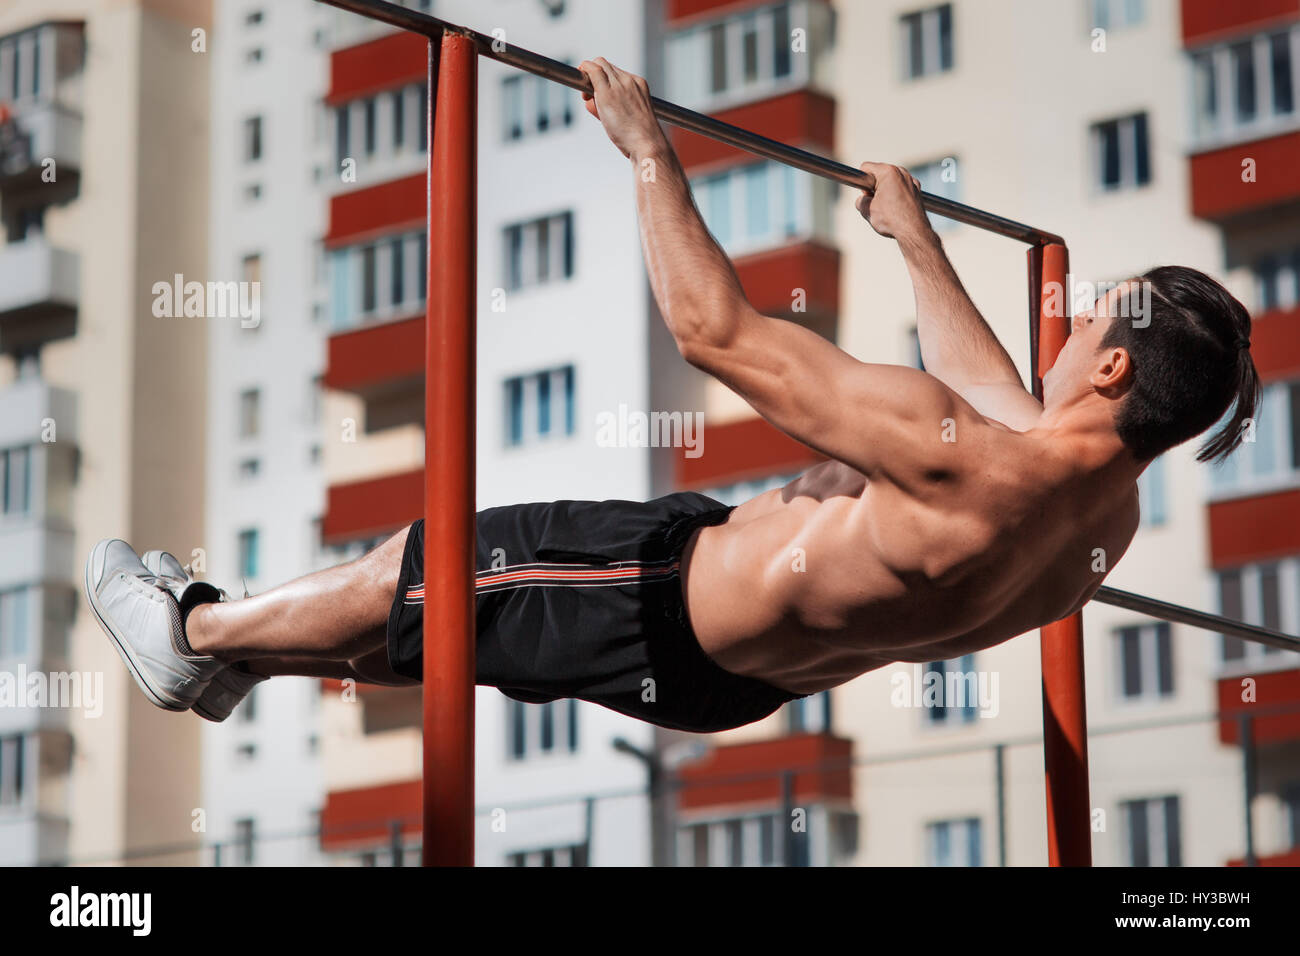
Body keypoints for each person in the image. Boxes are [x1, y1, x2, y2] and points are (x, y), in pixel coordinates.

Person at [84, 59, 1260, 732]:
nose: (1066, 327)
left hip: (654, 596)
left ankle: (194, 631)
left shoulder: (962, 455)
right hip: (735, 677)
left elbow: (716, 334)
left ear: (1108, 367)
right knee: (460, 629)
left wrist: (649, 153)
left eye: (1090, 317)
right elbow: (999, 398)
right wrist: (913, 243)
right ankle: (234, 659)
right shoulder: (1102, 523)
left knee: (445, 565)